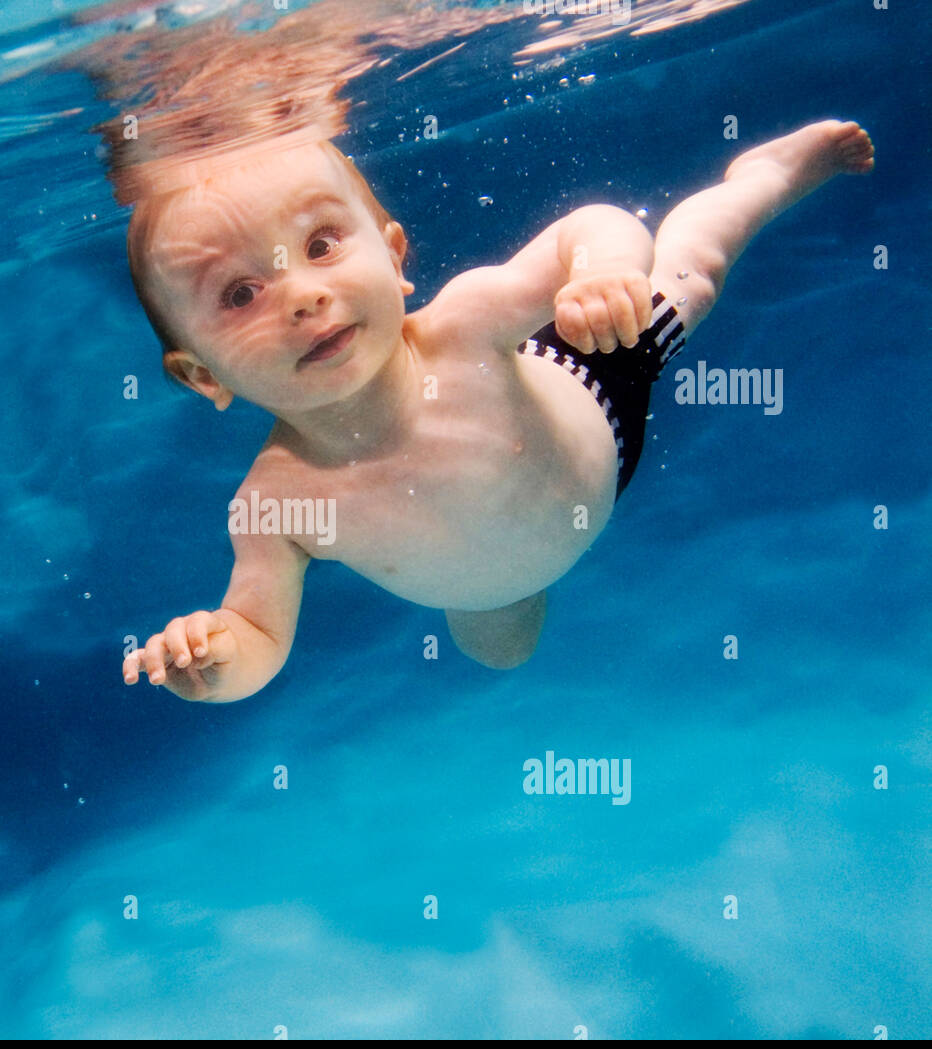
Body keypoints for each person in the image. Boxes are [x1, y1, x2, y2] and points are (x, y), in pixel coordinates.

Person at [121, 120, 875, 701]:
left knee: (691, 276)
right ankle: (518, 579)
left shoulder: (467, 323)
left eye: (321, 244)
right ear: (201, 374)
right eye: (240, 294)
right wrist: (214, 663)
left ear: (393, 256)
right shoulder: (274, 505)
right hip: (499, 580)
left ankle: (765, 175)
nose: (301, 295)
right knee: (501, 651)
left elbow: (593, 224)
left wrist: (605, 272)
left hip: (593, 373)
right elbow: (259, 633)